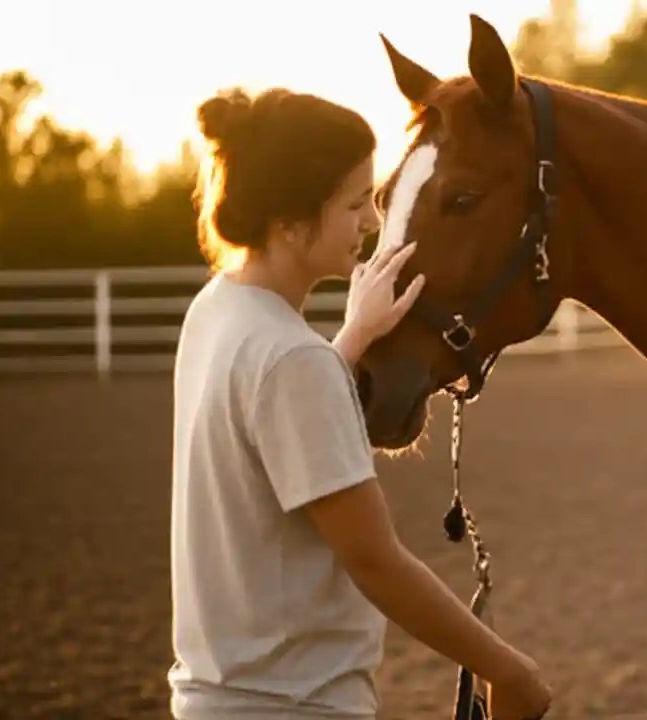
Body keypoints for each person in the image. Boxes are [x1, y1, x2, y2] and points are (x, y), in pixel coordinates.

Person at [167, 86, 552, 720]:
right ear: (290, 221)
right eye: (353, 206)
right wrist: (508, 670)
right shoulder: (295, 361)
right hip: (295, 704)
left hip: (218, 696)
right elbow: (376, 561)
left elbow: (273, 424)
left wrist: (347, 343)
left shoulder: (218, 311)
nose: (372, 226)